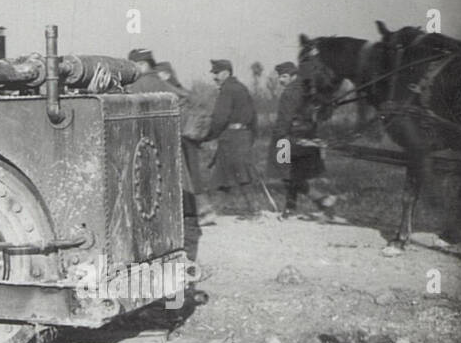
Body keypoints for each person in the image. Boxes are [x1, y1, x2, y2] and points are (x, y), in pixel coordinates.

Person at [124, 48, 211, 251]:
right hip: (177, 164)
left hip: (145, 164)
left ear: (141, 65)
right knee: (181, 219)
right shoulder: (171, 88)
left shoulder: (133, 88)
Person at [270, 61, 338, 219]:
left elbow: (284, 118)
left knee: (287, 173)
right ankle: (291, 208)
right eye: (280, 76)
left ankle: (321, 200)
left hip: (288, 138)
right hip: (307, 136)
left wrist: (279, 136)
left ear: (293, 76)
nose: (281, 80)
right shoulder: (306, 90)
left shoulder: (289, 92)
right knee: (294, 174)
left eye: (284, 76)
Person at [199, 59, 258, 213]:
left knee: (236, 172)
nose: (214, 77)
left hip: (232, 138)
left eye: (216, 73)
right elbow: (254, 116)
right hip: (243, 135)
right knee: (224, 172)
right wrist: (251, 137)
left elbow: (220, 118)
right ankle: (215, 209)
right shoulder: (241, 88)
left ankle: (253, 209)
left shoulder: (227, 89)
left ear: (226, 73)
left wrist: (207, 136)